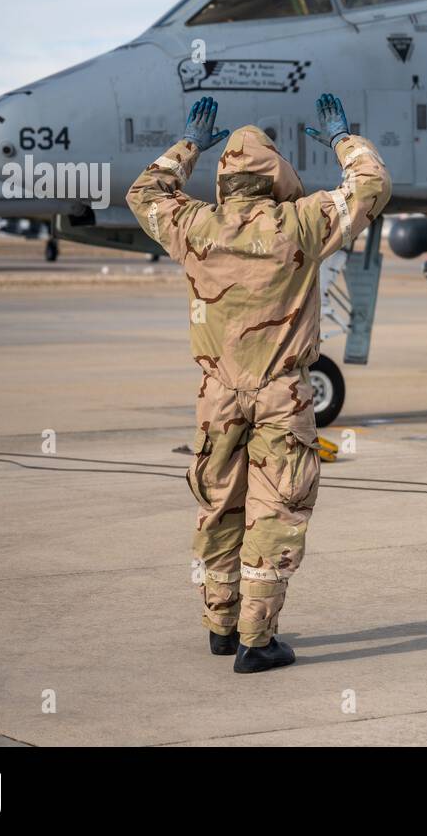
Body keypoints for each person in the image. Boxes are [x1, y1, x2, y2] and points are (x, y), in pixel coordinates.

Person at [126, 94, 391, 671]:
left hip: (216, 394)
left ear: (226, 179)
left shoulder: (195, 223)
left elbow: (143, 194)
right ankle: (256, 639)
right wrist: (343, 139)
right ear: (277, 174)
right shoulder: (300, 222)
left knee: (218, 505)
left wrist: (188, 146)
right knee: (275, 510)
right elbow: (371, 186)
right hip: (279, 393)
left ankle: (220, 626)